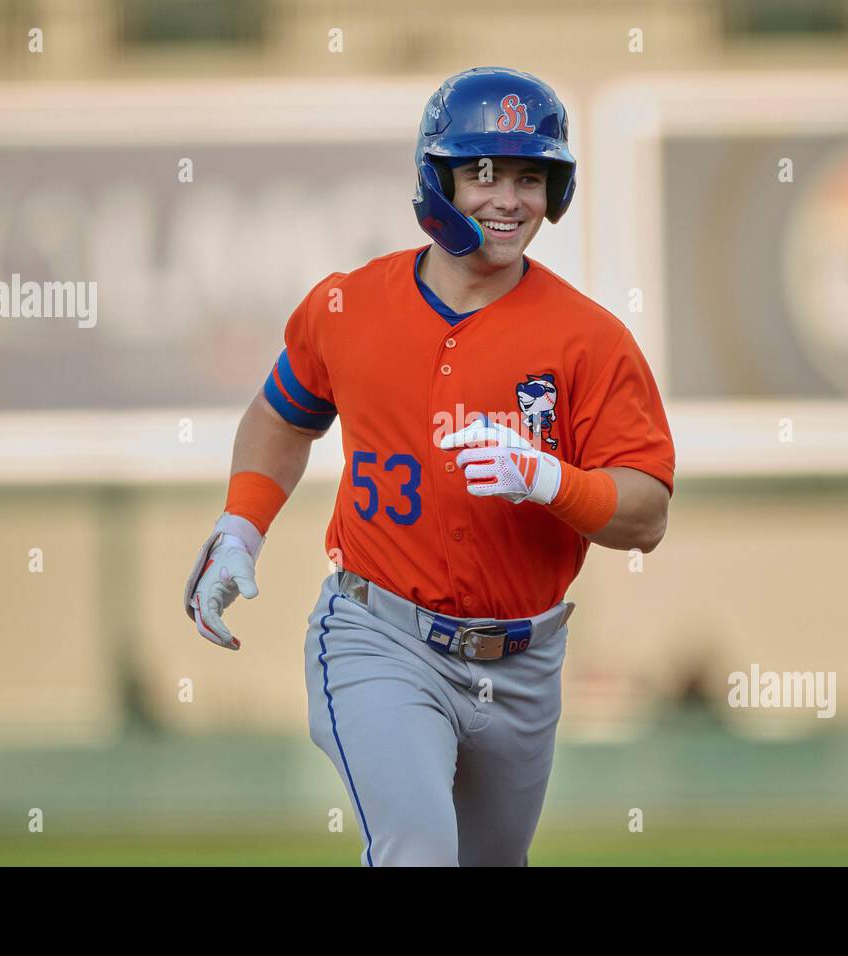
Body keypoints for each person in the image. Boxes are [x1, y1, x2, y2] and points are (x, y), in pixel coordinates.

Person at [184, 66, 675, 866]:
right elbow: (281, 415)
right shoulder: (348, 306)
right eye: (483, 173)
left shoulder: (589, 338)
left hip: (524, 660)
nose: (508, 198)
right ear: (436, 176)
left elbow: (647, 514)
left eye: (529, 175)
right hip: (380, 634)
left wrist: (551, 480)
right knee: (416, 854)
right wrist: (242, 525)